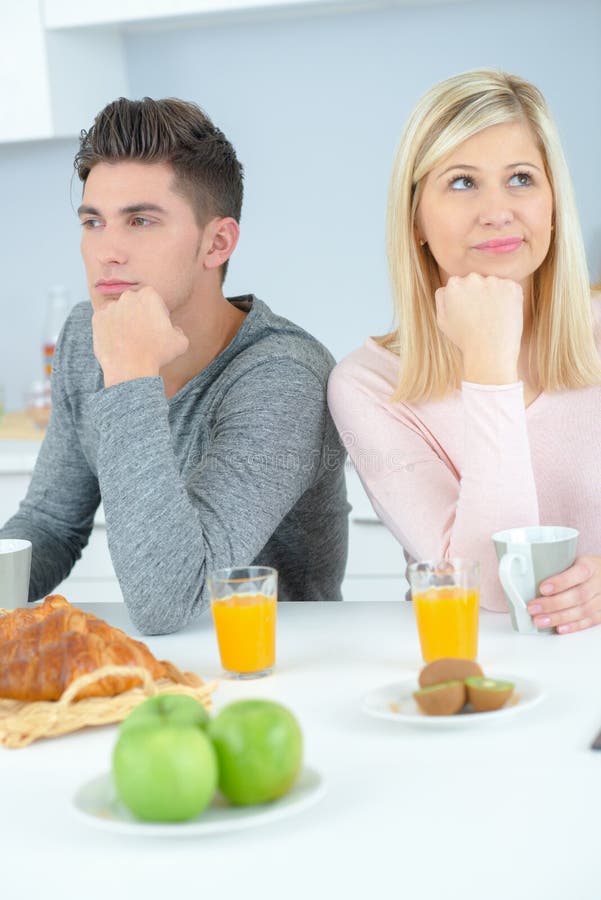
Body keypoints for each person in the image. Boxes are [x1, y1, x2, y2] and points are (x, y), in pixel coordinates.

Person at [0, 97, 348, 634]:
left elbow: (170, 600)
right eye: (93, 222)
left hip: (280, 670)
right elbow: (50, 524)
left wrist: (129, 374)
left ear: (218, 242)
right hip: (161, 666)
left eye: (140, 220)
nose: (107, 251)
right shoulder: (84, 336)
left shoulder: (284, 376)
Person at [328, 69, 601, 634]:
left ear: (553, 205)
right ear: (416, 220)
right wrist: (490, 368)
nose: (497, 210)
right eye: (461, 183)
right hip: (472, 681)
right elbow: (493, 591)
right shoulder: (371, 385)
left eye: (521, 178)